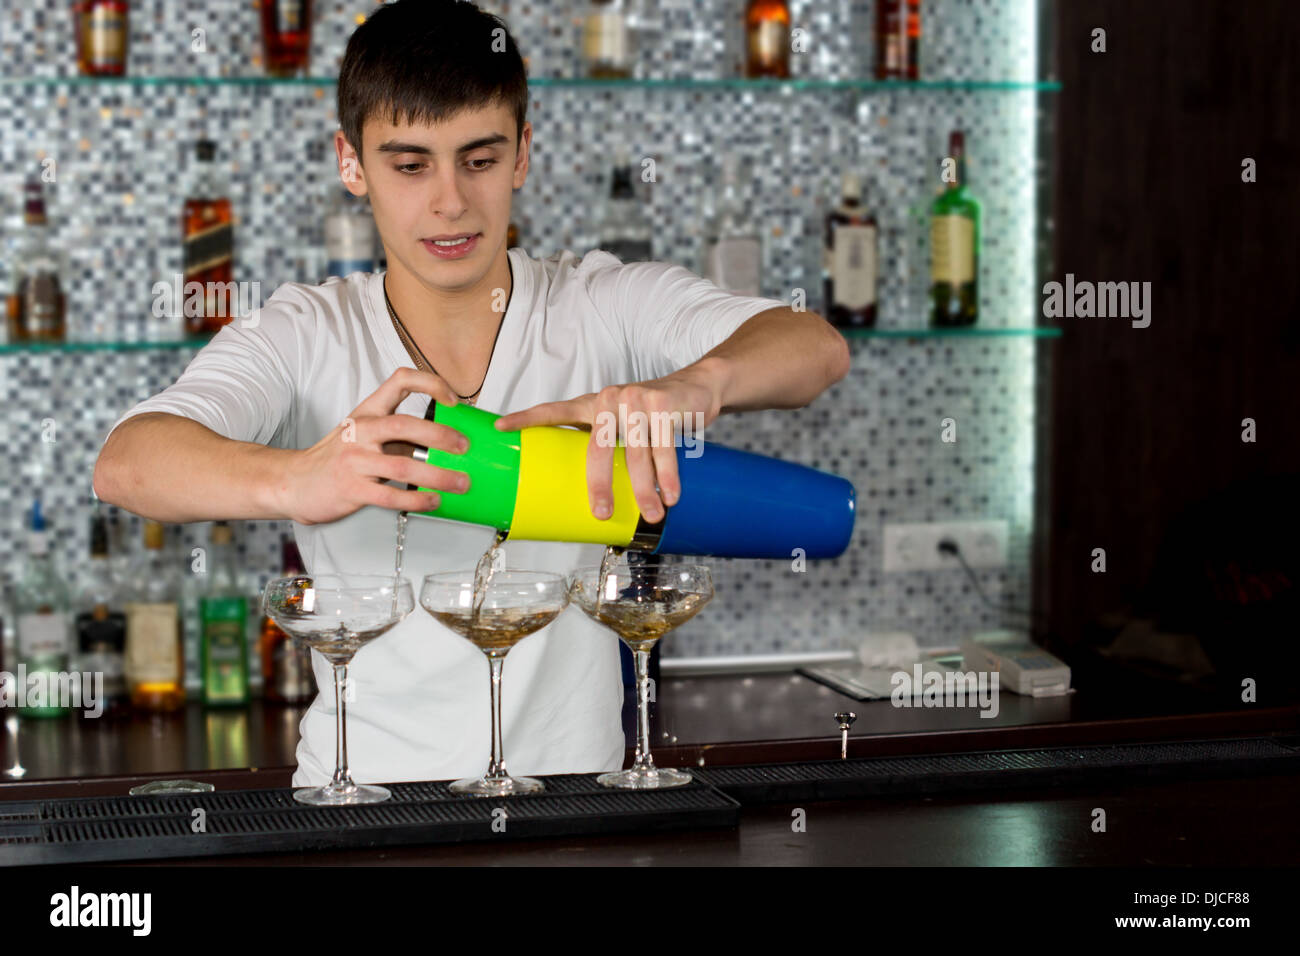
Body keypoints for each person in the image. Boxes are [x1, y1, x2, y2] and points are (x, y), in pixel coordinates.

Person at [92, 0, 850, 786]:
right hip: (360, 804)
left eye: (479, 160)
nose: (450, 201)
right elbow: (127, 462)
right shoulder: (304, 331)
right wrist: (297, 477)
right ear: (351, 163)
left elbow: (815, 348)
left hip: (575, 805)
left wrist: (696, 383)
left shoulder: (600, 303)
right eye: (410, 164)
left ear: (523, 155)